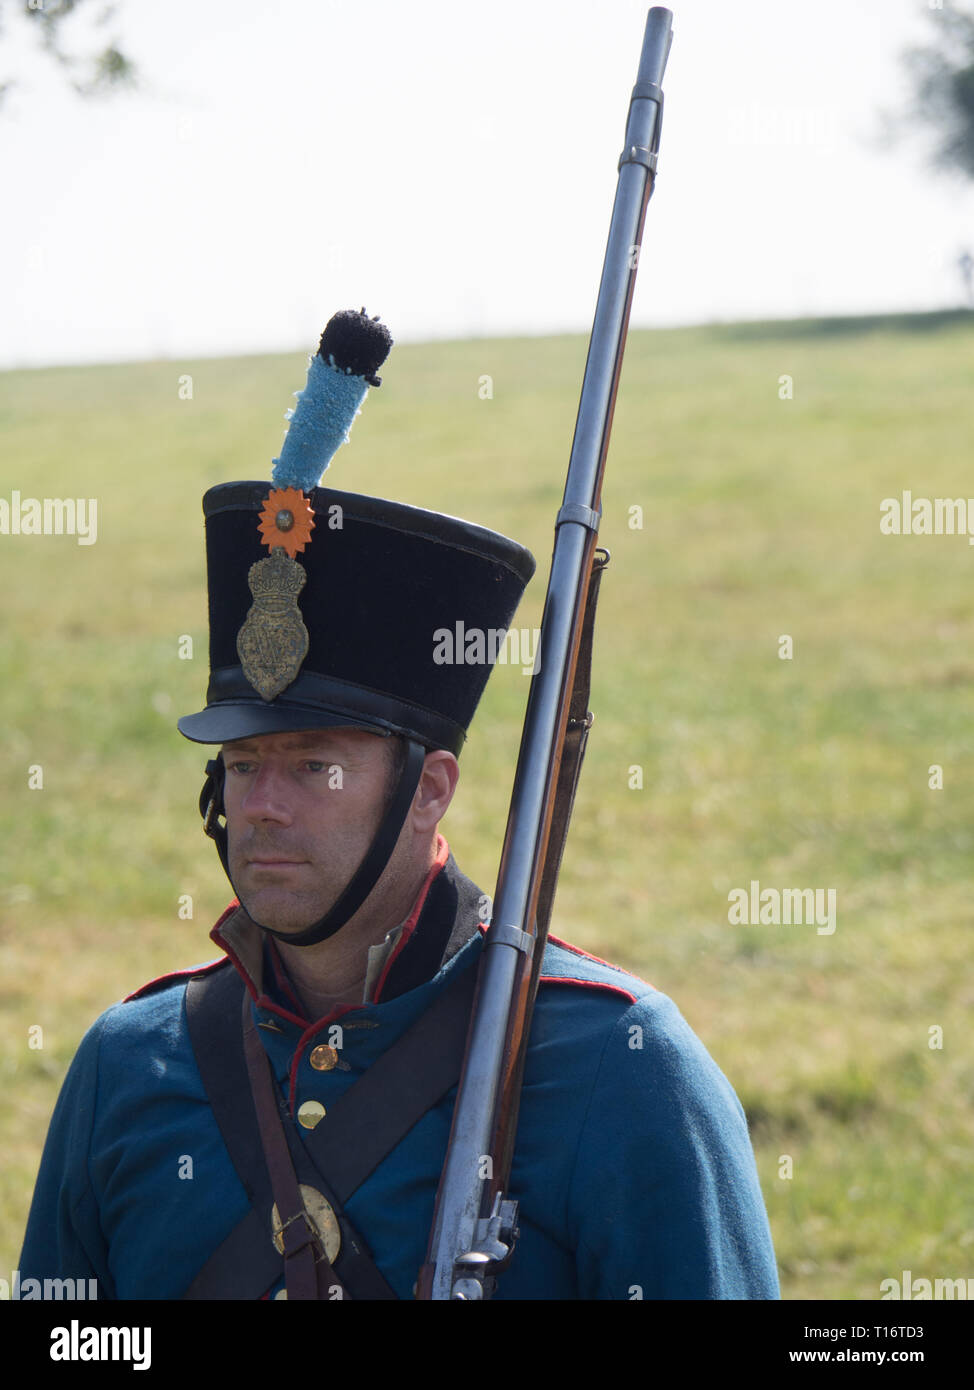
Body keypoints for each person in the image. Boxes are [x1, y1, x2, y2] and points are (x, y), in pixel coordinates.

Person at [19, 311, 780, 1300]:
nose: (262, 806)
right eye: (244, 763)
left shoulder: (622, 1067)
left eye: (314, 766)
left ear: (429, 791)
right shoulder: (126, 1066)